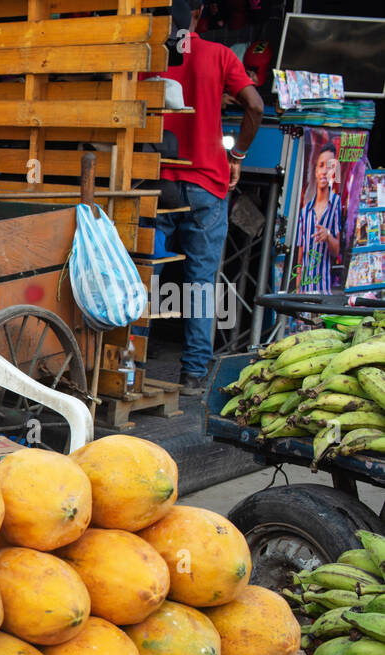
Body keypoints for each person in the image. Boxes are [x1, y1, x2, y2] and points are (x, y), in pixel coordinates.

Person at [152, 0, 264, 395]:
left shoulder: (150, 54)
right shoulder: (218, 55)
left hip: (156, 180)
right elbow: (255, 105)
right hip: (206, 183)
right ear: (199, 11)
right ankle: (193, 375)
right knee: (200, 283)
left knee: (145, 275)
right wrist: (237, 155)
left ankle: (127, 361)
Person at [292, 144, 343, 296]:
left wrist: (327, 236)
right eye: (321, 166)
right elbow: (300, 258)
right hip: (305, 292)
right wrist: (298, 288)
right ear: (315, 170)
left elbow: (337, 251)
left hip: (325, 291)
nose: (324, 171)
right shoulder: (305, 211)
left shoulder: (336, 204)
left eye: (329, 166)